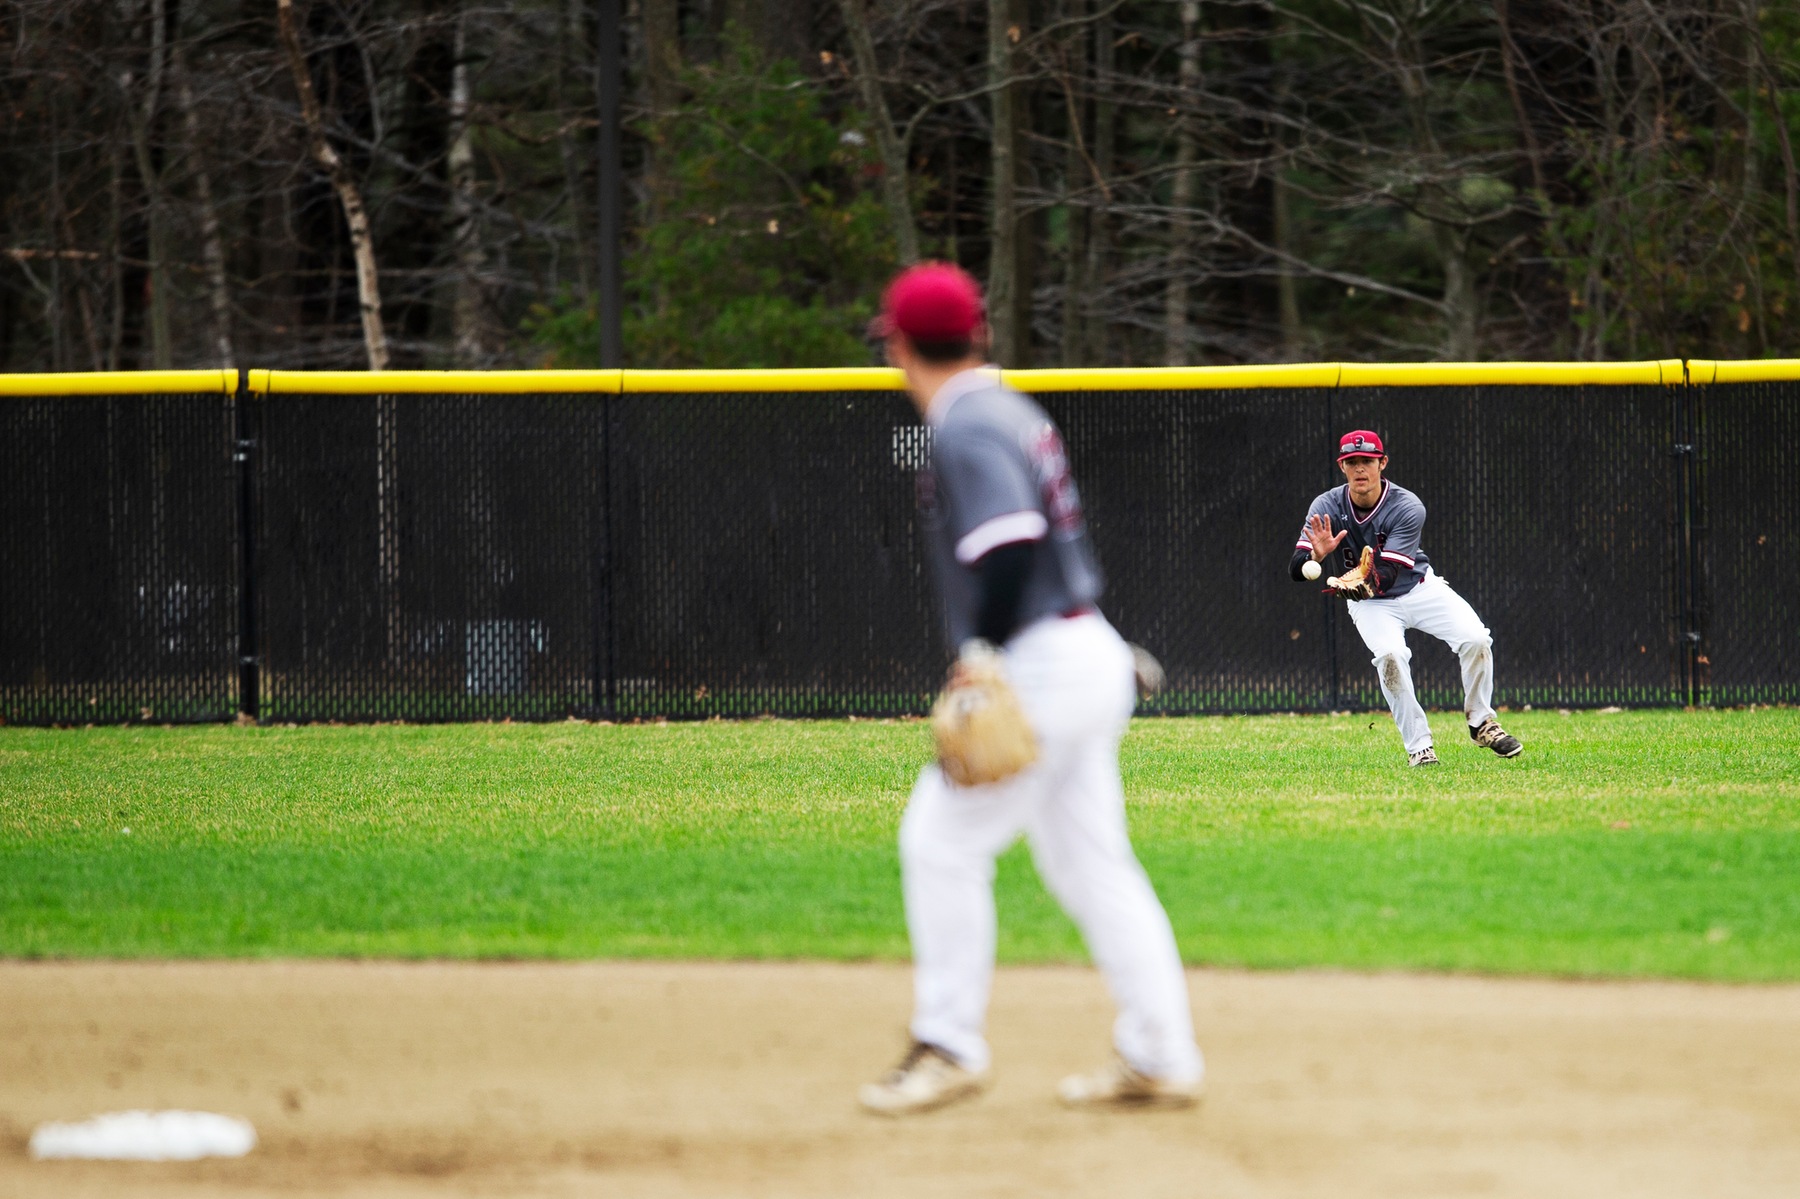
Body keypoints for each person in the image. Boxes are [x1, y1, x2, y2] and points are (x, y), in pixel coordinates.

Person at [858, 262, 1203, 1116]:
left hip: (1047, 657)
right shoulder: (1009, 407)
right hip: (1084, 645)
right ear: (977, 333)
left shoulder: (968, 423)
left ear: (899, 345)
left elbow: (1009, 542)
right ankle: (1160, 1054)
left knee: (939, 841)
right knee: (1091, 864)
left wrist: (984, 651)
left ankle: (948, 1044)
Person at [1292, 430, 1523, 767]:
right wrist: (1313, 556)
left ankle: (1482, 722)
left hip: (1418, 587)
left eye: (1367, 461)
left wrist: (1359, 577)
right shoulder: (1326, 506)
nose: (1360, 469)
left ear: (1382, 463)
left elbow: (1388, 574)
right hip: (1371, 605)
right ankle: (1419, 747)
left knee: (1475, 639)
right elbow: (1295, 569)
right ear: (1342, 467)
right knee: (1390, 657)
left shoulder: (1406, 505)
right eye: (1351, 462)